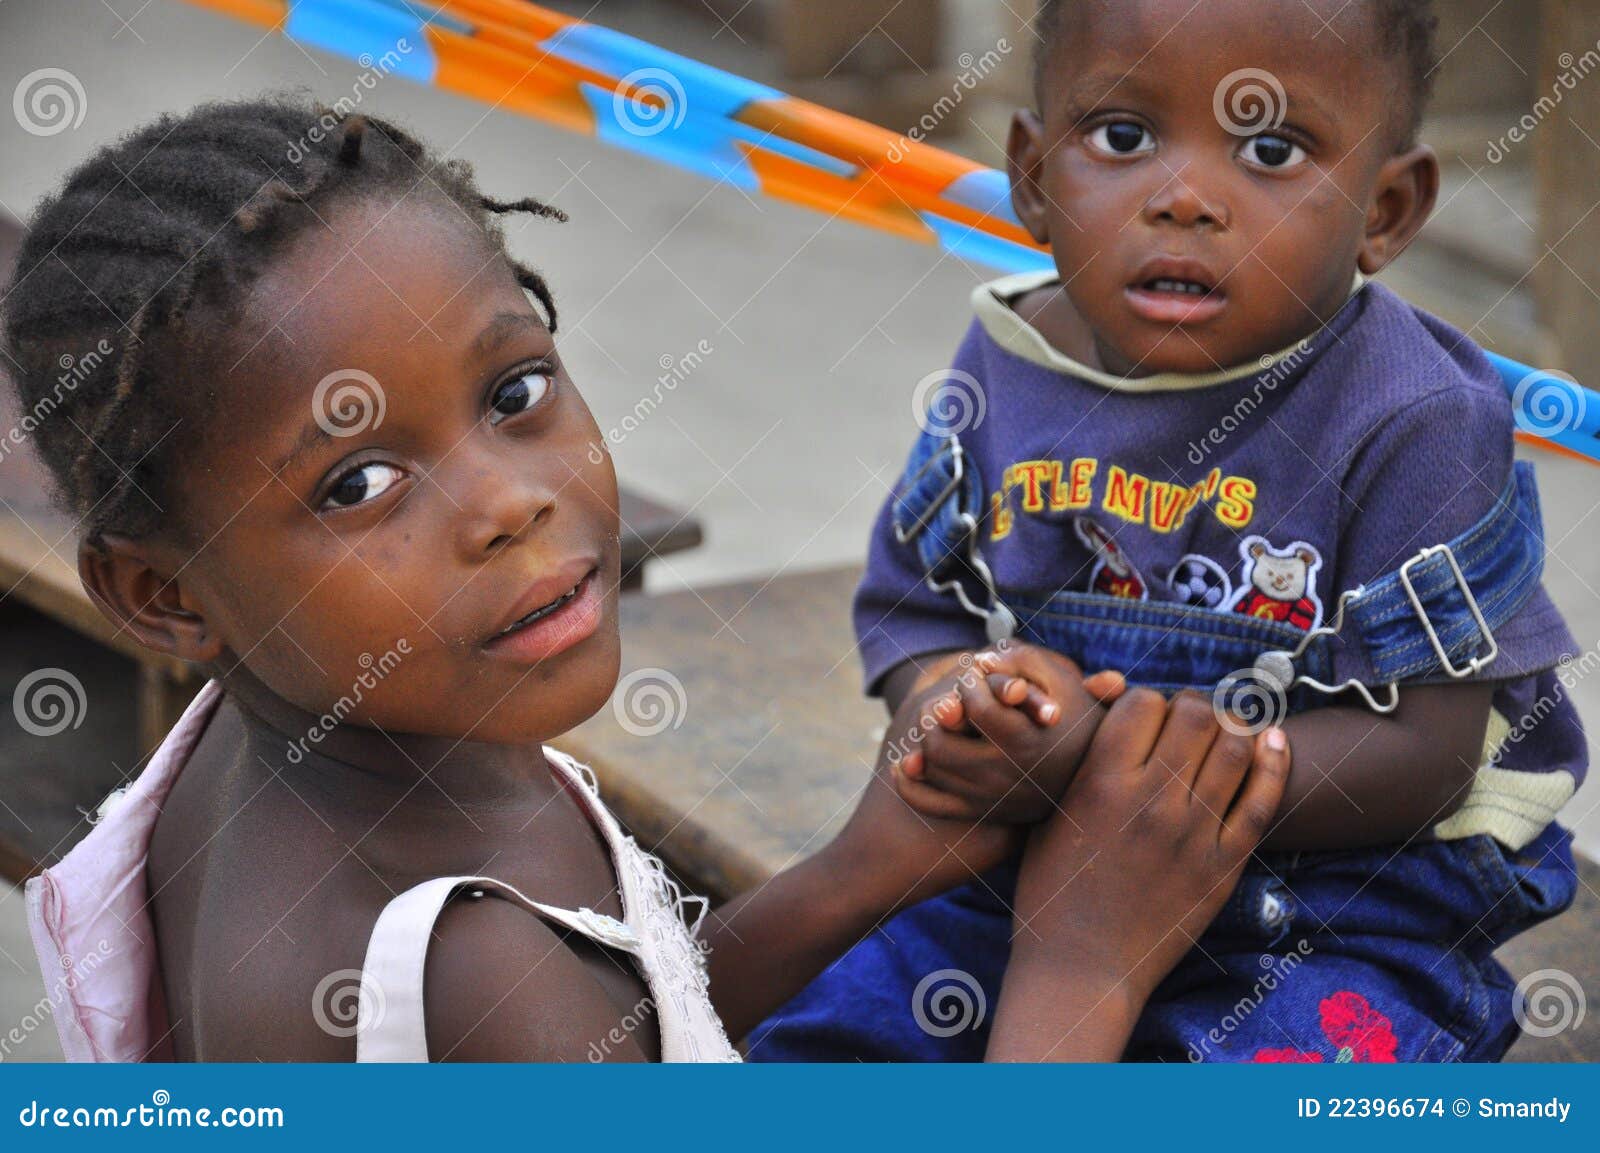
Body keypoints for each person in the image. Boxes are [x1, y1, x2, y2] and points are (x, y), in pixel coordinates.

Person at [8, 97, 1290, 1062]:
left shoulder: (329, 745)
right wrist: (1083, 965)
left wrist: (863, 868)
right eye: (356, 484)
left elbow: (622, 1034)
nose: (511, 502)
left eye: (514, 391)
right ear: (164, 594)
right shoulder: (468, 962)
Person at [751, 0, 1585, 1063]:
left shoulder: (1414, 413)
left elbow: (1427, 754)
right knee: (831, 1044)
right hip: (1021, 872)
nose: (1184, 198)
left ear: (1387, 207)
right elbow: (921, 611)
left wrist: (1099, 760)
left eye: (1271, 149)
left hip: (1337, 914)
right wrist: (968, 712)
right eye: (1121, 137)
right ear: (1033, 174)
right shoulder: (1010, 359)